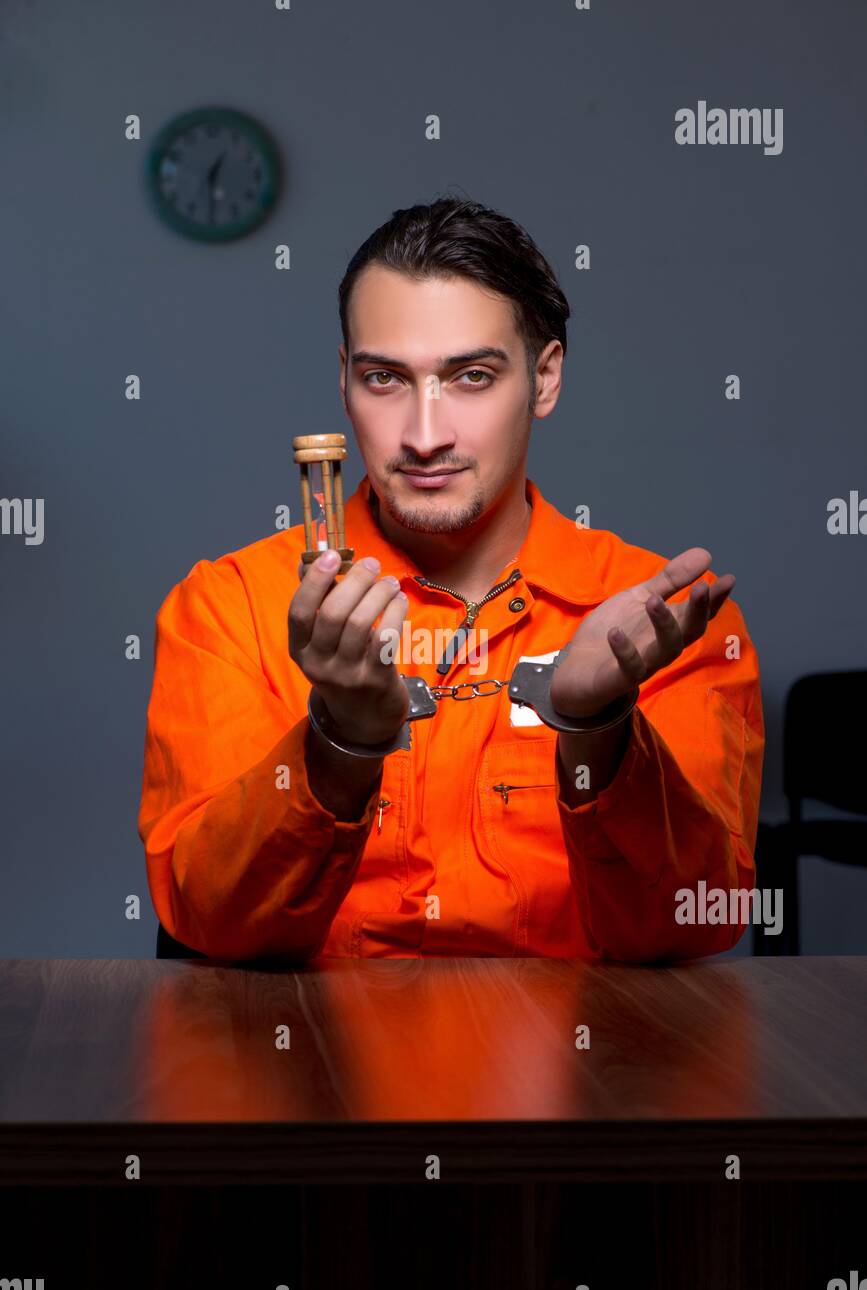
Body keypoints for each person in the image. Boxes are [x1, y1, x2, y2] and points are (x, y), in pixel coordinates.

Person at [138, 197, 764, 962]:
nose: (424, 435)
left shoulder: (661, 622)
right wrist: (341, 744)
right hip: (310, 1041)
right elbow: (213, 922)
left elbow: (689, 925)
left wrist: (599, 731)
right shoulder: (229, 605)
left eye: (471, 376)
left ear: (544, 379)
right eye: (384, 378)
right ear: (344, 380)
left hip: (581, 1040)